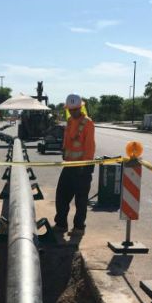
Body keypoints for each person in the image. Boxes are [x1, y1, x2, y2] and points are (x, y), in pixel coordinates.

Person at [54, 93, 95, 235]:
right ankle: (61, 224)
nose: (73, 112)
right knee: (61, 196)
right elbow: (68, 141)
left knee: (81, 200)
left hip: (83, 167)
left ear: (80, 108)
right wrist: (64, 151)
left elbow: (89, 147)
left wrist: (84, 165)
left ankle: (79, 228)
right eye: (70, 110)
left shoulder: (88, 123)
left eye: (75, 109)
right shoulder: (70, 121)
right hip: (69, 165)